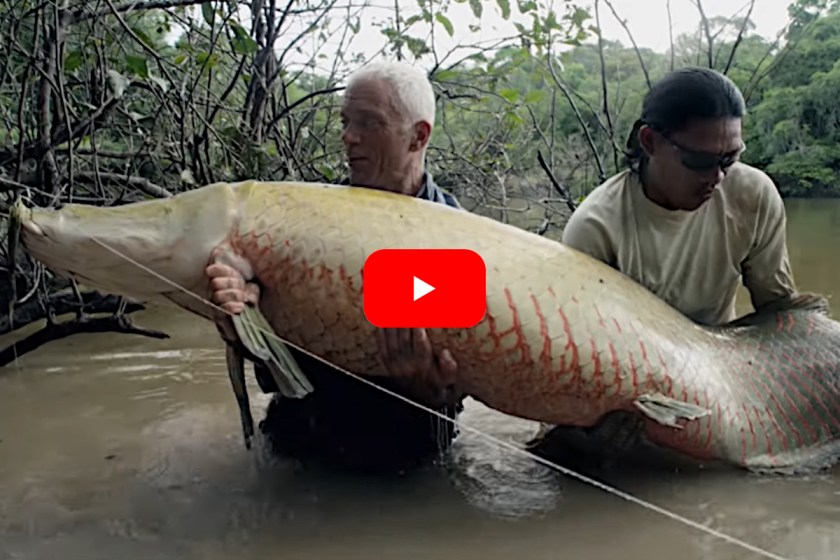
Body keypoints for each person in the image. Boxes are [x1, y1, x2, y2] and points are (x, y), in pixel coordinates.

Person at [528, 67, 798, 468]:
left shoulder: (753, 194)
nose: (718, 178)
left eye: (731, 158)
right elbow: (578, 360)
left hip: (721, 375)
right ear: (650, 142)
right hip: (633, 388)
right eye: (699, 161)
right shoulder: (597, 227)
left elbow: (780, 318)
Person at [206, 60, 465, 473]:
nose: (348, 138)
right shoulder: (306, 226)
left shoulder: (459, 241)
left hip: (405, 467)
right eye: (345, 122)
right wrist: (244, 326)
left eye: (368, 123)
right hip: (296, 448)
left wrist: (424, 388)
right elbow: (275, 373)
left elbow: (459, 383)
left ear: (418, 136)